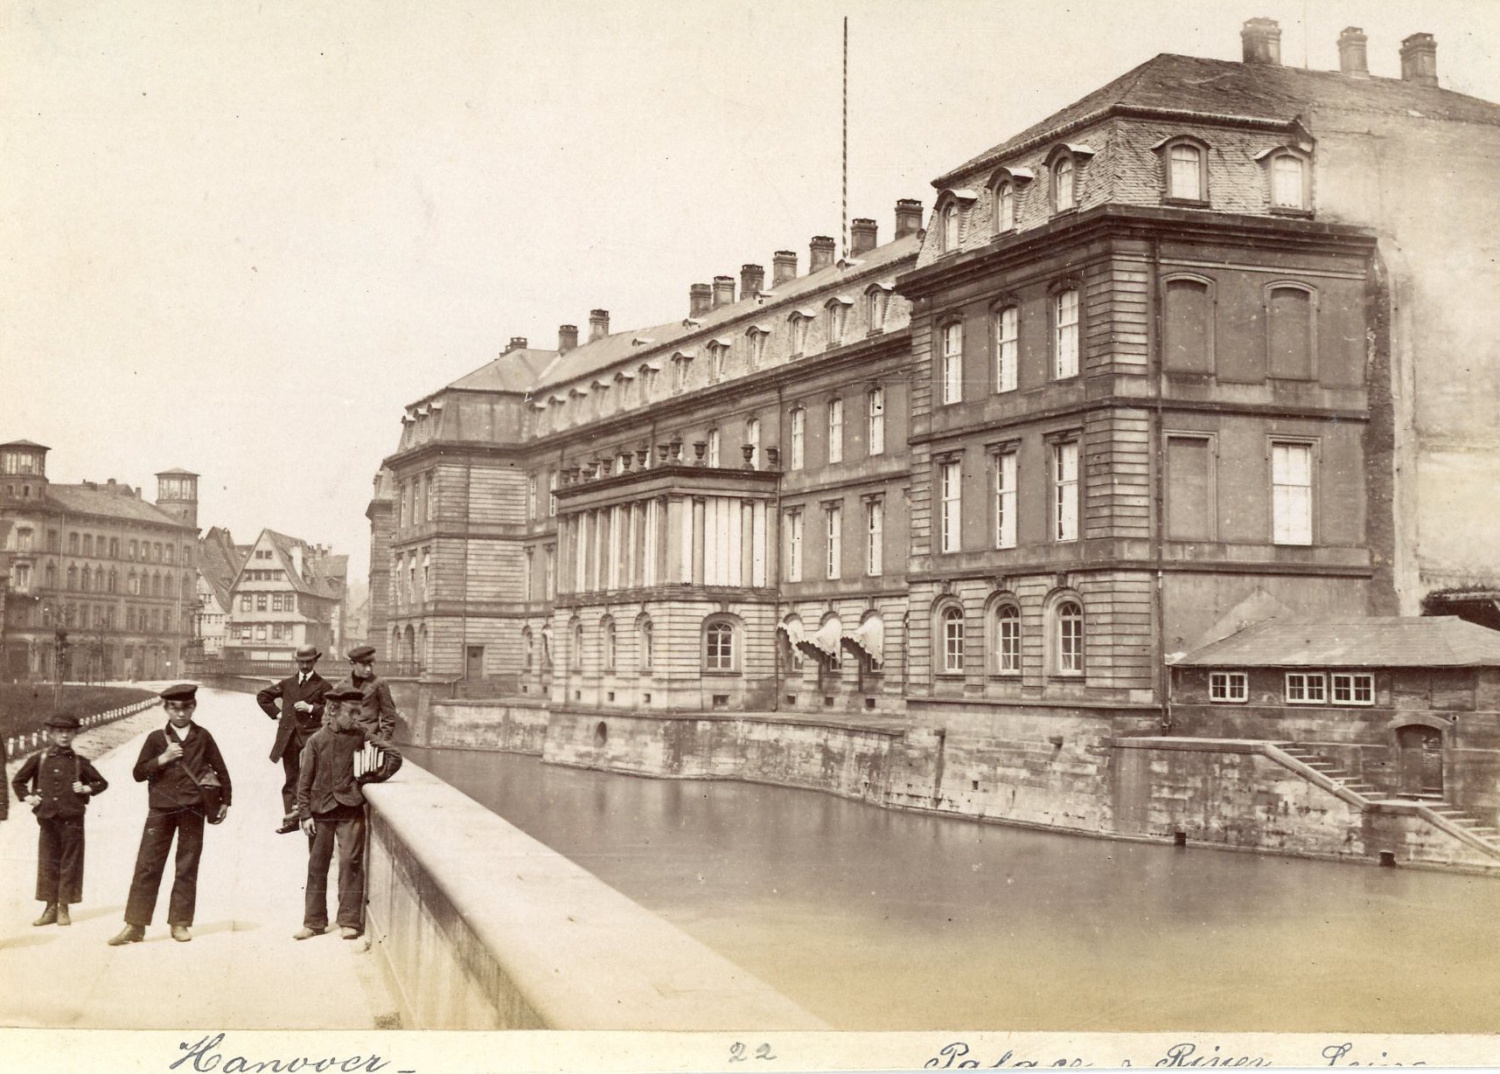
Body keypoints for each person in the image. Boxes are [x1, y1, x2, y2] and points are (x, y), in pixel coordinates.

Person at [108, 683, 232, 945]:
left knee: (187, 865)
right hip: (160, 809)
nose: (180, 713)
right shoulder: (156, 739)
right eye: (174, 708)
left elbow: (221, 769)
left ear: (194, 707)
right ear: (165, 709)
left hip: (192, 808)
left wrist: (226, 801)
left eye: (186, 707)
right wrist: (162, 759)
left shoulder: (203, 736)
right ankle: (135, 925)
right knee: (147, 865)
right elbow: (138, 773)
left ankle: (180, 923)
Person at [294, 684, 401, 941]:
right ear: (333, 710)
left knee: (350, 863)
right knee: (317, 866)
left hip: (350, 810)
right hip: (321, 812)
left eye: (358, 712)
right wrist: (305, 815)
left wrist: (371, 778)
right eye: (351, 712)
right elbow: (304, 782)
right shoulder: (316, 741)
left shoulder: (361, 735)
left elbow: (394, 756)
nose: (357, 717)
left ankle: (349, 921)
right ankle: (314, 922)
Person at [12, 713, 108, 927]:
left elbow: (101, 783)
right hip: (47, 819)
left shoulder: (80, 762)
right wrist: (28, 797)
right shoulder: (39, 759)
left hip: (73, 820)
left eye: (69, 732)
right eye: (59, 732)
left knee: (70, 863)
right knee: (48, 862)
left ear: (75, 734)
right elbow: (18, 782)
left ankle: (64, 907)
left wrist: (86, 788)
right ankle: (50, 908)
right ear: (51, 734)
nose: (64, 735)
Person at [257, 644, 330, 834]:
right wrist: (278, 714)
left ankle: (308, 817)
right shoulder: (287, 683)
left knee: (308, 779)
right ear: (296, 662)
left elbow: (331, 711)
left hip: (310, 740)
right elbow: (263, 696)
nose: (305, 666)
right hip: (288, 740)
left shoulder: (323, 685)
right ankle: (290, 821)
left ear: (315, 661)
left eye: (309, 662)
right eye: (301, 662)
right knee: (290, 780)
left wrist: (311, 708)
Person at [344, 645, 397, 740]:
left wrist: (383, 741)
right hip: (346, 739)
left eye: (371, 665)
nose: (368, 669)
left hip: (369, 740)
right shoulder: (343, 684)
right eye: (364, 665)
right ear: (353, 664)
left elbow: (389, 716)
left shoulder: (379, 683)